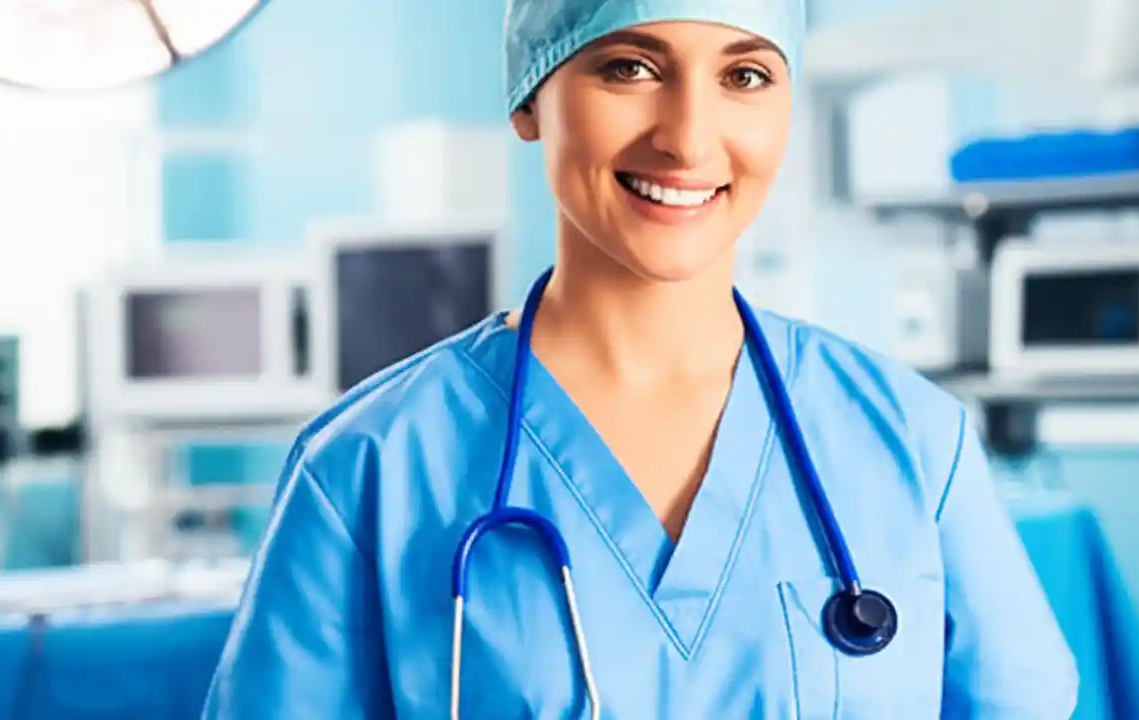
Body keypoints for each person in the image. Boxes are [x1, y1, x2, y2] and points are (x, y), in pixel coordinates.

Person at [202, 0, 1079, 717]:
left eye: (745, 76)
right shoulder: (371, 466)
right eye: (629, 67)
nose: (689, 140)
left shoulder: (912, 443)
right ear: (528, 95)